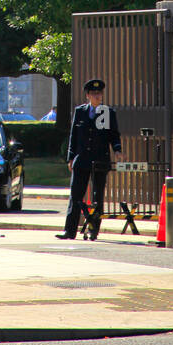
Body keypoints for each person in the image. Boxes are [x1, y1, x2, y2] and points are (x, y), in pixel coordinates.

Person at [56, 78, 122, 239]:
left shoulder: (107, 112)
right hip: (82, 159)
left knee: (97, 196)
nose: (98, 96)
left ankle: (93, 230)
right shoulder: (80, 111)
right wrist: (71, 157)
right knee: (76, 195)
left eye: (100, 93)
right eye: (94, 94)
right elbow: (74, 136)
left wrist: (117, 150)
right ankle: (69, 230)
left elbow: (114, 134)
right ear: (88, 95)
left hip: (100, 159)